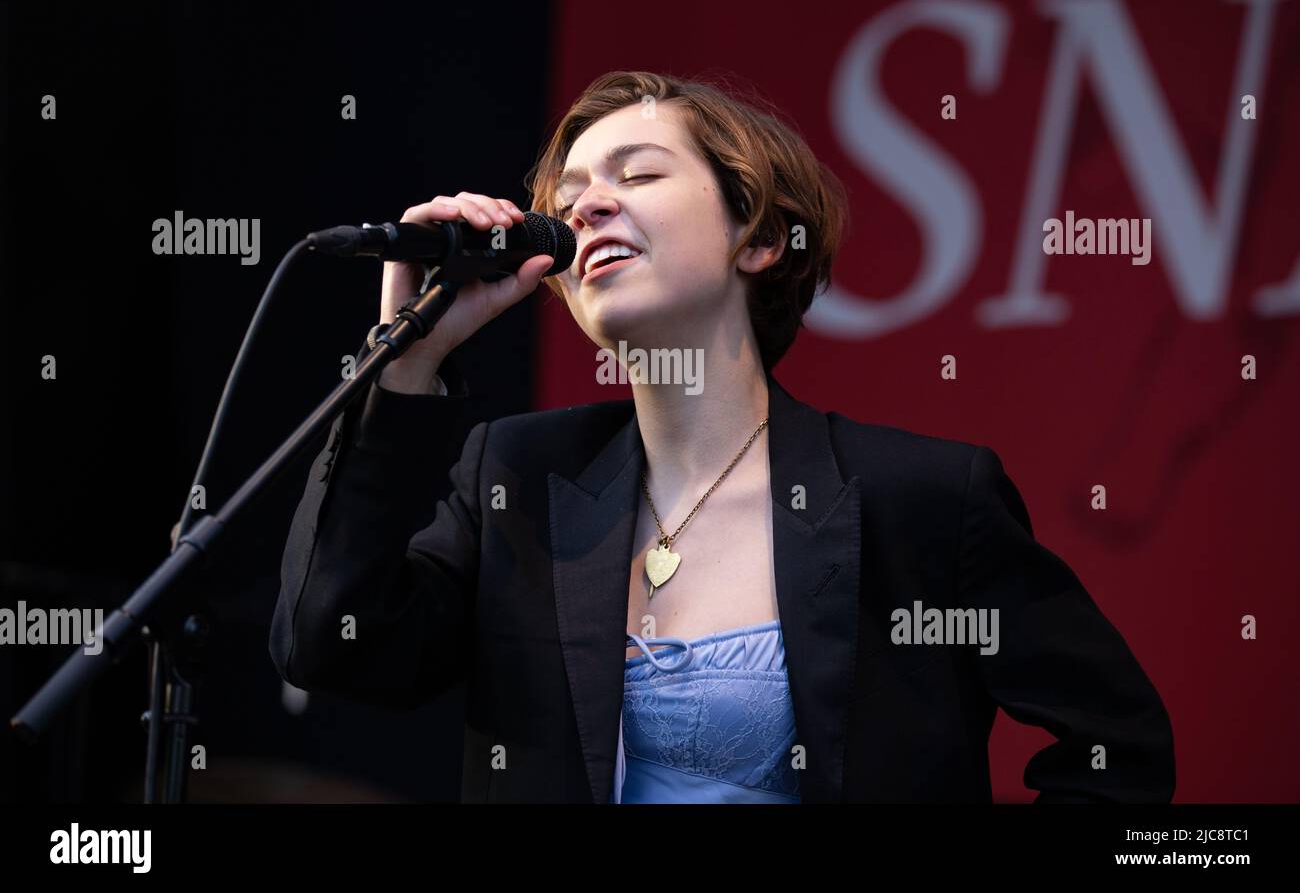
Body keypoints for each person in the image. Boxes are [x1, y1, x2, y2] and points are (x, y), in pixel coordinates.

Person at [270, 70, 1175, 803]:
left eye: (638, 174)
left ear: (759, 237)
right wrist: (405, 365)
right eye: (570, 194)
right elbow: (332, 644)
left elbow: (1117, 748)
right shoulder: (518, 479)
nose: (586, 207)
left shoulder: (924, 499)